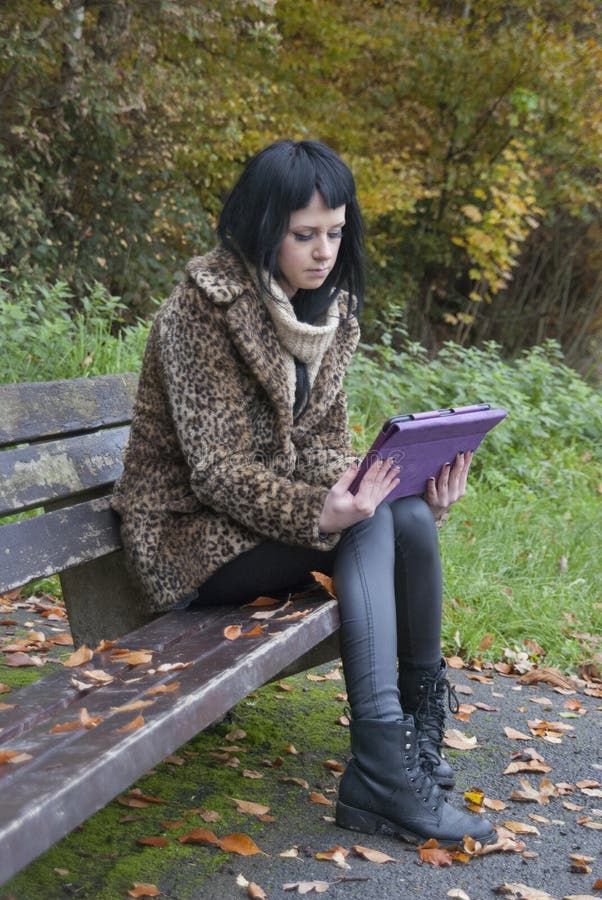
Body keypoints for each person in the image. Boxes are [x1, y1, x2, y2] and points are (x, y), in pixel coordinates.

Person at [111, 139, 495, 847]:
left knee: (406, 514)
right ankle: (380, 770)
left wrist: (407, 488)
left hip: (256, 524)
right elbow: (217, 470)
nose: (324, 252)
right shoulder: (201, 311)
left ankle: (417, 736)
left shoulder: (325, 315)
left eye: (335, 233)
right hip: (188, 538)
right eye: (304, 235)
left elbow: (321, 448)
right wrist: (322, 511)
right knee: (363, 524)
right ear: (263, 229)